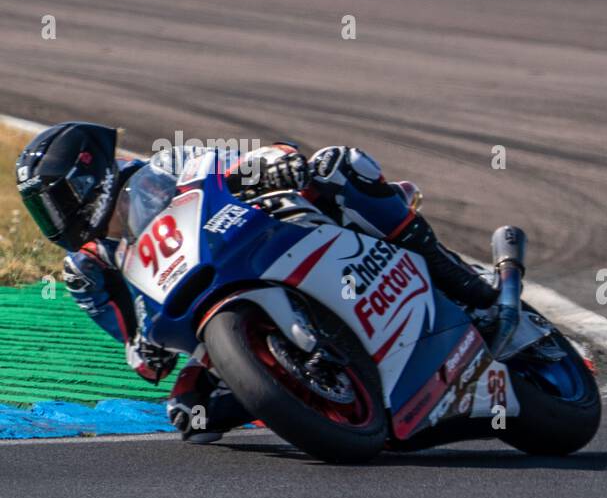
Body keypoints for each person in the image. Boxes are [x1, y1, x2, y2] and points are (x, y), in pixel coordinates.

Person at [15, 122, 498, 443]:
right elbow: (127, 336)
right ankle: (312, 396)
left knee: (338, 166)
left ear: (88, 176)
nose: (54, 217)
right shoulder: (89, 269)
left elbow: (232, 161)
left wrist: (273, 162)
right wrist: (144, 351)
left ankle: (466, 288)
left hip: (262, 241)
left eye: (57, 200)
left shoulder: (162, 169)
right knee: (190, 415)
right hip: (202, 310)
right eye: (42, 209)